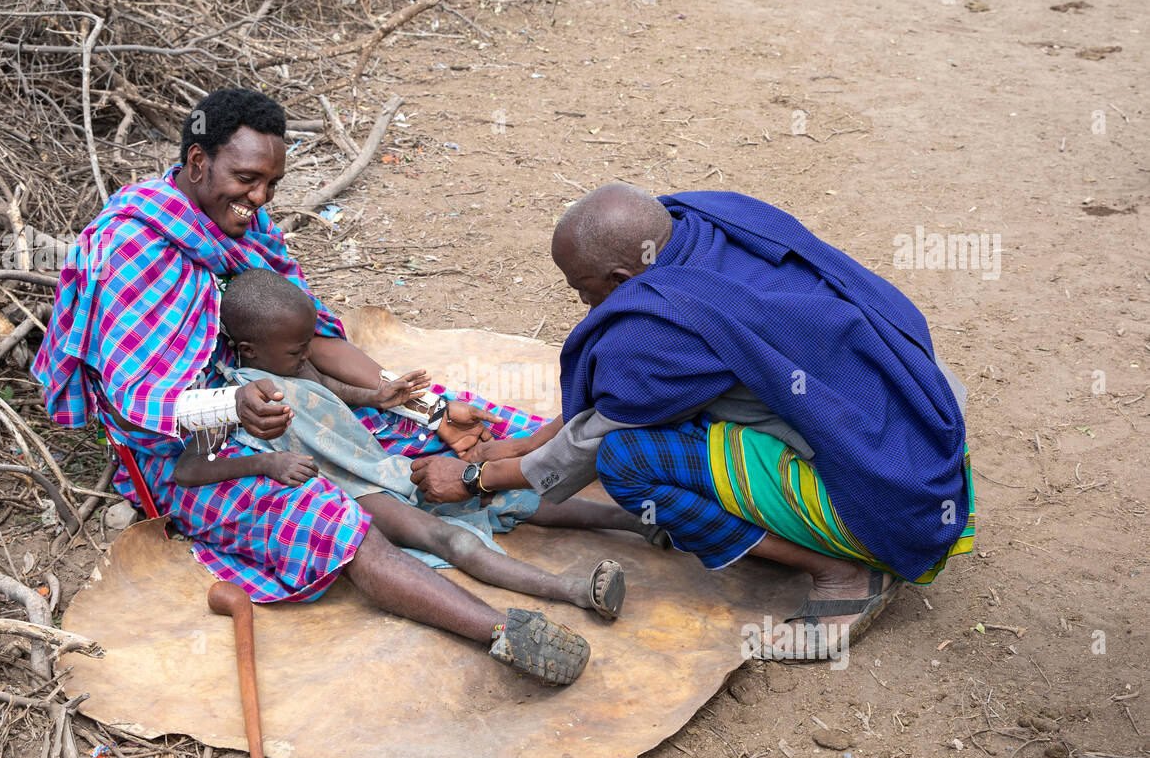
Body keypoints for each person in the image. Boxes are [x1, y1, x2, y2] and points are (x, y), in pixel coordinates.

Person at [32, 87, 595, 686]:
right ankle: (504, 634)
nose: (259, 199)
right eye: (247, 179)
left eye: (271, 184)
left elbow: (309, 340)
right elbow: (136, 404)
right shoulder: (130, 249)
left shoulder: (241, 226)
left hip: (279, 395)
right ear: (198, 163)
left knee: (471, 422)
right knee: (333, 521)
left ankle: (643, 494)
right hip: (190, 452)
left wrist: (412, 401)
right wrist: (234, 406)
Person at [410, 183, 975, 660]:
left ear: (618, 273)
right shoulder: (708, 216)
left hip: (886, 493)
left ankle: (847, 574)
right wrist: (524, 443)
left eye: (582, 290)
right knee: (664, 409)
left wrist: (474, 480)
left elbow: (597, 436)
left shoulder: (658, 326)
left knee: (627, 462)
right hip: (918, 426)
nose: (583, 304)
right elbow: (626, 392)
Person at [171, 266, 635, 620]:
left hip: (379, 462)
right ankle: (572, 591)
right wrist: (265, 466)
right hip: (353, 490)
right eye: (296, 351)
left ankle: (636, 523)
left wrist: (375, 396)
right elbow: (187, 471)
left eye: (307, 345)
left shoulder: (297, 363)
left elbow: (330, 394)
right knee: (449, 538)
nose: (307, 356)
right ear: (249, 350)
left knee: (506, 494)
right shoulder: (238, 397)